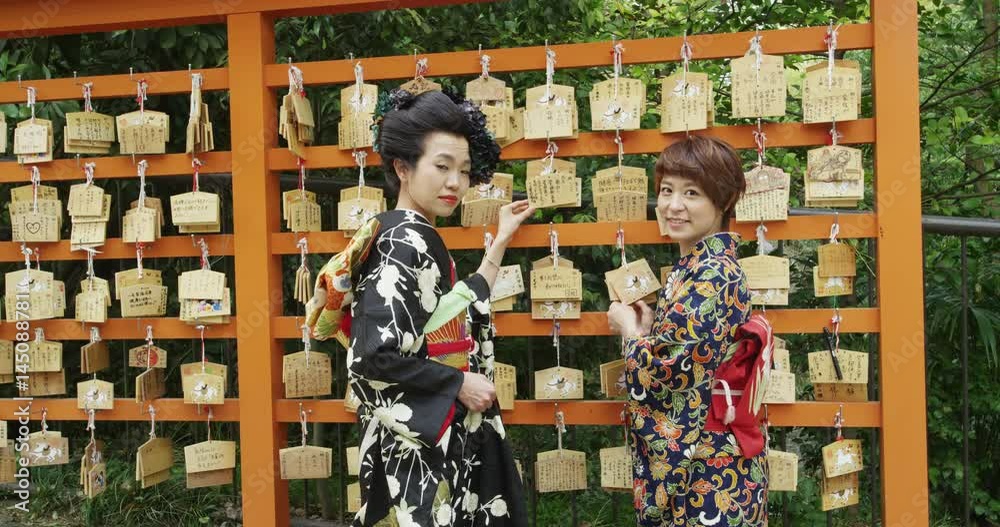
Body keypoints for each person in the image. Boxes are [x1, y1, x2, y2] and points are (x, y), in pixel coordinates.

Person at [307, 88, 533, 527]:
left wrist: (501, 238)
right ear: (402, 168)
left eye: (464, 171)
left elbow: (455, 307)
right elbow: (373, 355)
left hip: (426, 438)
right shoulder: (401, 243)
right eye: (442, 167)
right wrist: (457, 383)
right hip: (414, 450)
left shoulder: (410, 236)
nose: (455, 183)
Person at [606, 136, 770, 526]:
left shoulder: (711, 274)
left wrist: (629, 331)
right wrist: (648, 333)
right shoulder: (697, 270)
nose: (673, 205)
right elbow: (685, 353)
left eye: (691, 193)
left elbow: (668, 374)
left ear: (724, 200)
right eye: (666, 191)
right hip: (710, 459)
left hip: (708, 468)